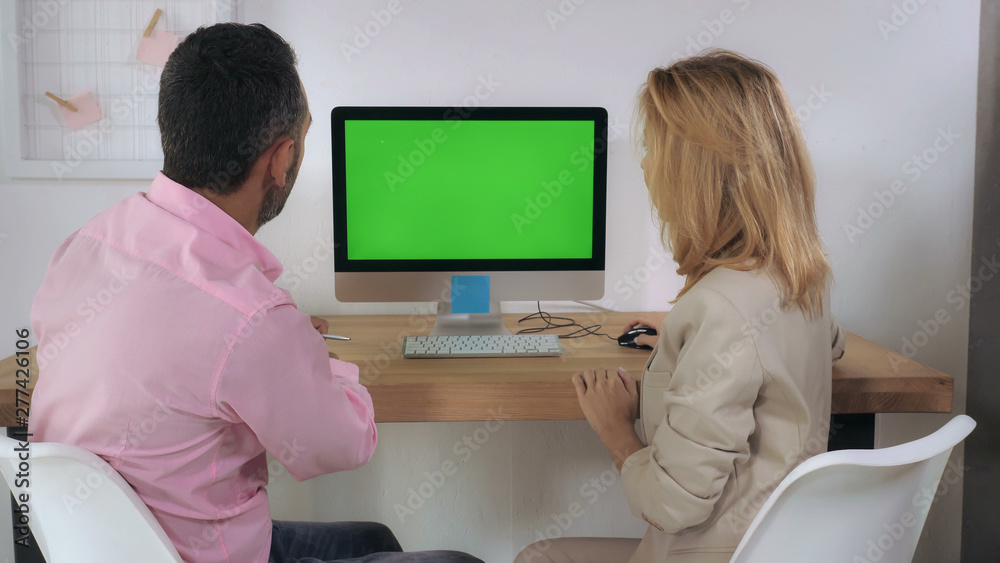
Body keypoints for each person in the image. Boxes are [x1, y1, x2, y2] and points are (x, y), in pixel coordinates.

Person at [29, 23, 481, 563]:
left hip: (106, 542)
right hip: (197, 553)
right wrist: (309, 355)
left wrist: (280, 345)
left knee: (373, 540)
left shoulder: (86, 243)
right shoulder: (251, 318)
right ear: (281, 158)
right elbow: (345, 443)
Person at [515, 50, 846, 563]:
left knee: (538, 556)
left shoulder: (722, 306)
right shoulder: (799, 275)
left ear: (696, 171)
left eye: (654, 149)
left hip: (715, 552)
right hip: (783, 545)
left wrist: (616, 430)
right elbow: (831, 341)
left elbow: (671, 506)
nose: (645, 164)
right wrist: (690, 329)